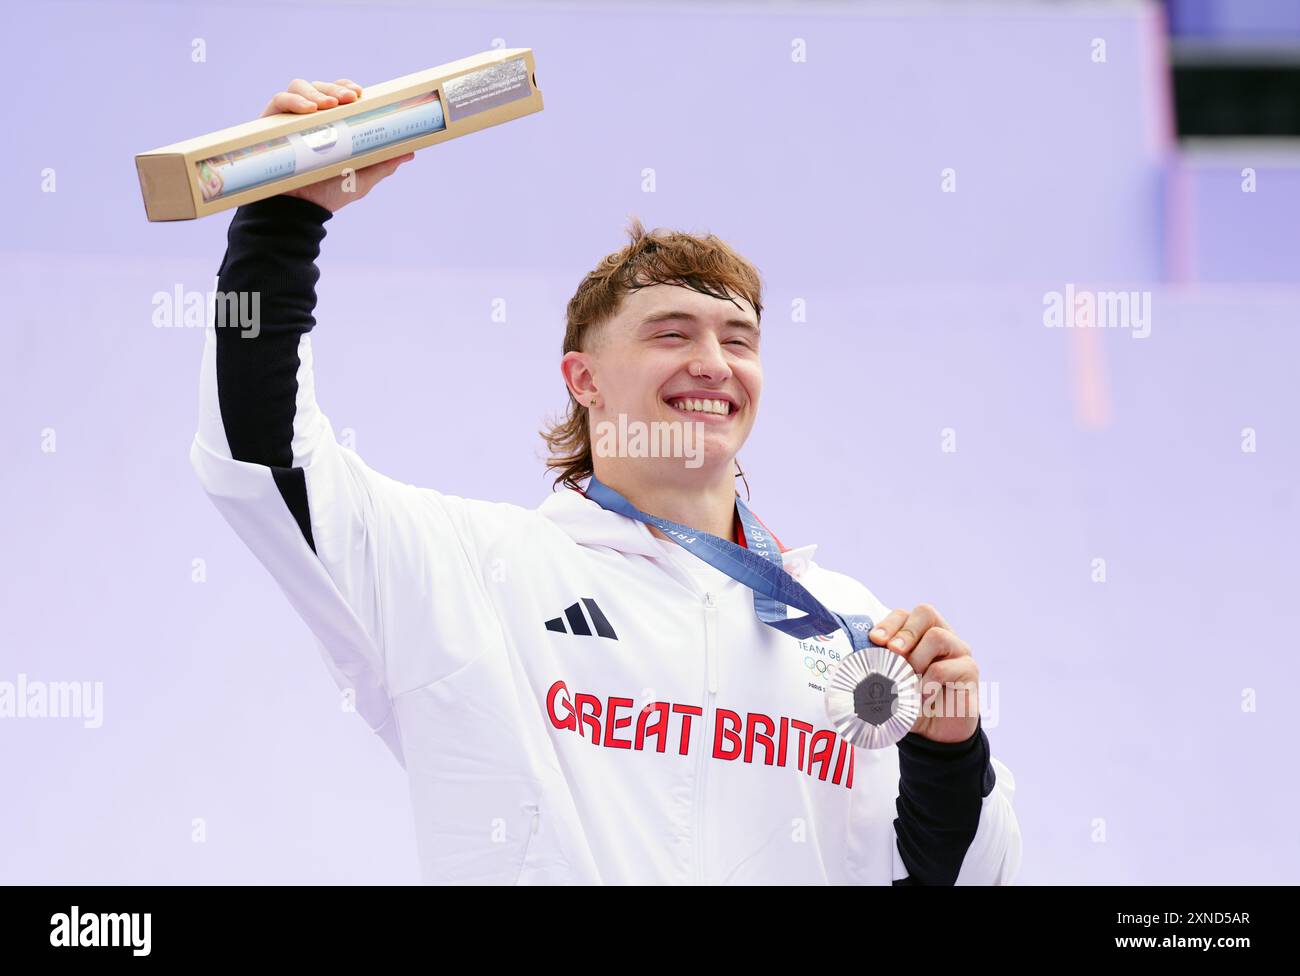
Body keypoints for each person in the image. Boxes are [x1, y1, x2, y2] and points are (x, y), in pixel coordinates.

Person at [190, 76, 1023, 884]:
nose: (712, 363)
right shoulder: (469, 572)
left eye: (739, 339)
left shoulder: (849, 632)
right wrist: (279, 227)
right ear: (583, 379)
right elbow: (265, 463)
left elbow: (952, 878)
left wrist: (949, 749)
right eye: (671, 332)